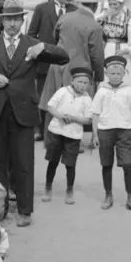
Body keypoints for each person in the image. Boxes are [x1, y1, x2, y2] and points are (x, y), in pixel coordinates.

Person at [0, 0, 70, 228]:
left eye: (16, 19)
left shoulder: (32, 45)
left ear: (22, 21)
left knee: (23, 162)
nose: (12, 24)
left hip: (23, 112)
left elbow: (64, 57)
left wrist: (44, 48)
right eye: (8, 20)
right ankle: (0, 208)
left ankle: (25, 210)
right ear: (2, 22)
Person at [38, 0, 105, 131]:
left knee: (53, 102)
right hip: (79, 70)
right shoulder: (95, 26)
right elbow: (97, 56)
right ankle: (69, 138)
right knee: (74, 107)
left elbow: (55, 37)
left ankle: (47, 136)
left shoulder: (65, 17)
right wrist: (99, 76)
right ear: (94, 5)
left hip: (58, 64)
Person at [91, 55, 131, 212]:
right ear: (107, 74)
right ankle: (108, 195)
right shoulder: (102, 91)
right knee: (106, 164)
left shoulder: (129, 91)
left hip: (124, 131)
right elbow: (95, 113)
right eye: (112, 73)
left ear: (124, 74)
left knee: (128, 164)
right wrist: (95, 134)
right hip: (105, 131)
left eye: (118, 73)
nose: (115, 76)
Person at [42, 65, 95, 205]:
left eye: (86, 83)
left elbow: (88, 119)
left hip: (73, 135)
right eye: (80, 82)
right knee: (52, 161)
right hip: (56, 132)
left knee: (70, 164)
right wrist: (60, 116)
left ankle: (69, 190)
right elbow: (50, 106)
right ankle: (48, 187)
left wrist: (73, 119)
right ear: (72, 81)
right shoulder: (63, 91)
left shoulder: (87, 99)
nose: (82, 85)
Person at [28, 0, 73, 139]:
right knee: (42, 95)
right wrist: (39, 51)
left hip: (66, 61)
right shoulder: (42, 8)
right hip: (45, 60)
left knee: (65, 96)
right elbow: (32, 34)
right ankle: (39, 129)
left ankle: (62, 133)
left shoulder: (73, 10)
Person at [97, 0, 131, 88]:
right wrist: (103, 16)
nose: (113, 7)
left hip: (123, 54)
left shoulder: (129, 19)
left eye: (115, 4)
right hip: (106, 52)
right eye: (110, 4)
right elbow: (93, 25)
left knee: (123, 82)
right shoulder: (105, 17)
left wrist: (126, 50)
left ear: (121, 4)